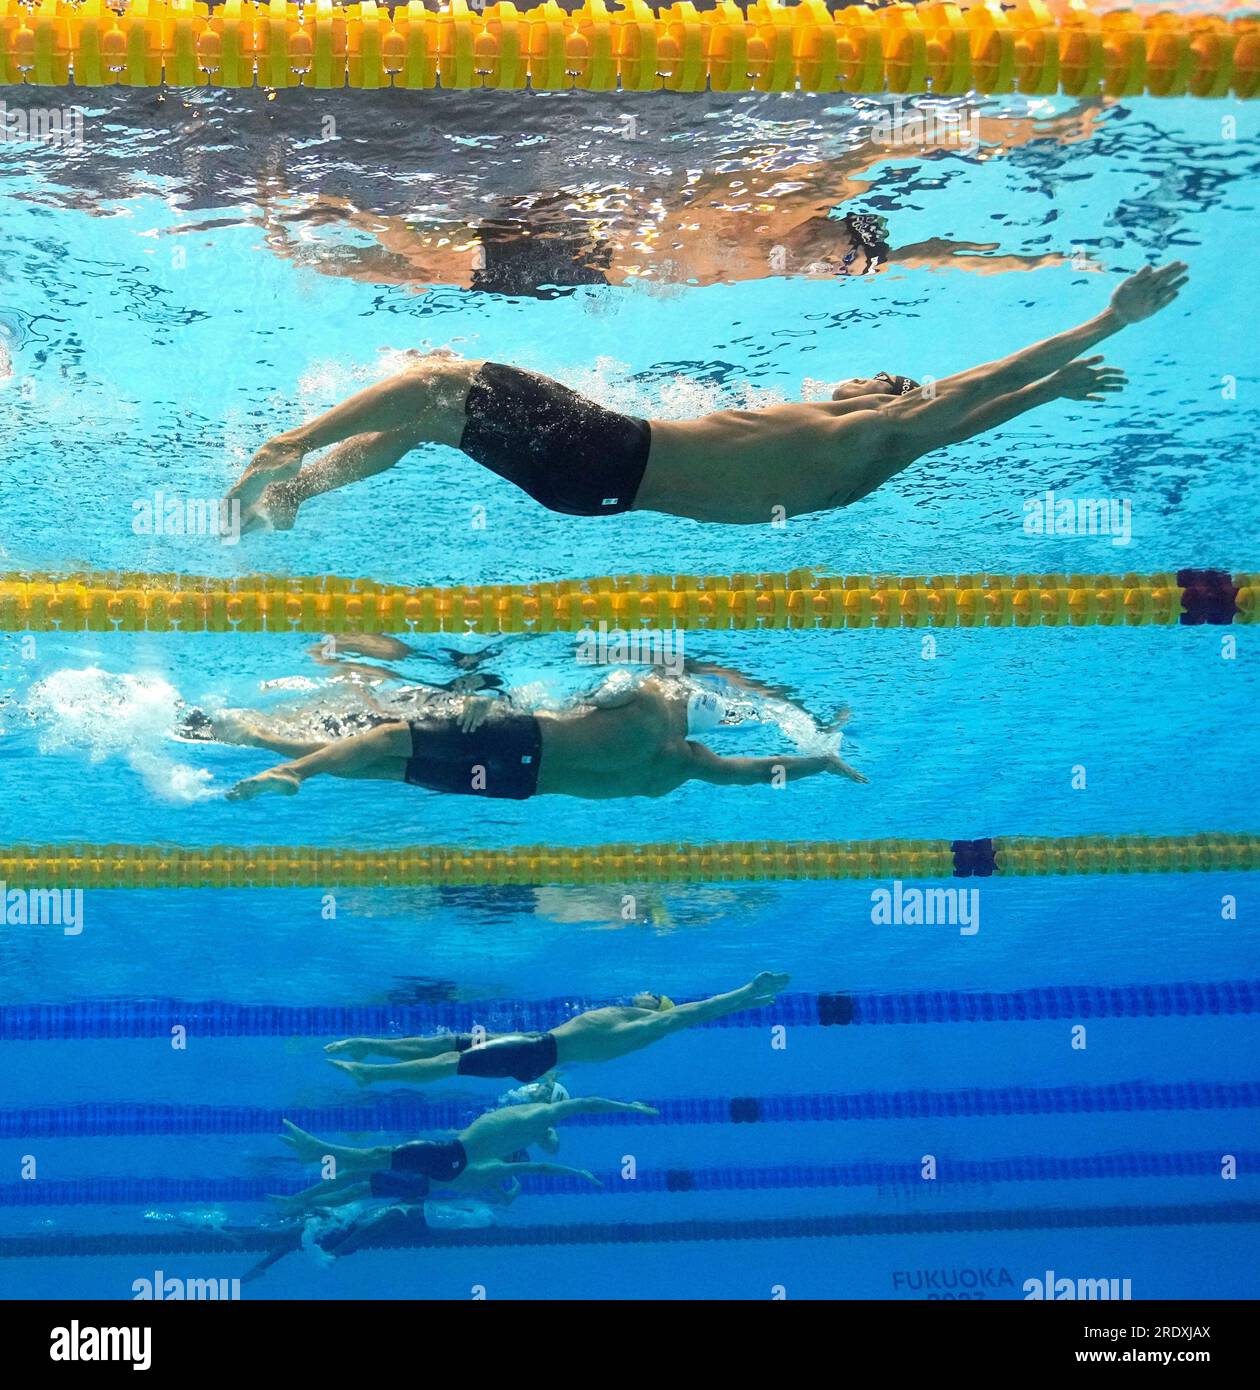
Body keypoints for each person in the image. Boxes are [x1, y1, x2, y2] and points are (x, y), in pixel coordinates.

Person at [224, 263, 1186, 531]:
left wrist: (1106, 323)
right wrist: (1057, 388)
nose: (859, 378)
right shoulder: (877, 456)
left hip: (615, 454)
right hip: (596, 493)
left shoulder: (880, 422)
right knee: (433, 420)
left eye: (879, 378)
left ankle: (286, 448)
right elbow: (973, 418)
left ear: (889, 394)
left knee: (443, 377)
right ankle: (297, 499)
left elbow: (969, 391)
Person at [219, 673, 864, 802]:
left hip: (519, 736)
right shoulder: (684, 765)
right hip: (520, 785)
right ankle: (262, 746)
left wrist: (485, 697)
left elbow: (553, 691)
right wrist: (821, 760)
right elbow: (758, 772)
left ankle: (292, 768)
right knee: (388, 769)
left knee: (389, 735)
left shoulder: (644, 696)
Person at [324, 971, 789, 1087]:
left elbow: (695, 1012)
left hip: (537, 1052)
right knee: (447, 1043)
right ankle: (369, 1046)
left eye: (653, 992)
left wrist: (749, 989)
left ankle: (373, 1074)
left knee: (451, 1061)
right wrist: (752, 1000)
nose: (644, 990)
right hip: (534, 1049)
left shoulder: (647, 1024)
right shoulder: (634, 1021)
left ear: (657, 1006)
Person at [276, 1093, 658, 1209]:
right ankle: (300, 1199)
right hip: (447, 1169)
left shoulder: (540, 1115)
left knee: (377, 1160)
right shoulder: (511, 1148)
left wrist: (631, 1108)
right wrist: (578, 1175)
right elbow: (539, 1167)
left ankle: (316, 1151)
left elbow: (585, 1105)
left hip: (450, 1157)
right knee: (360, 1180)